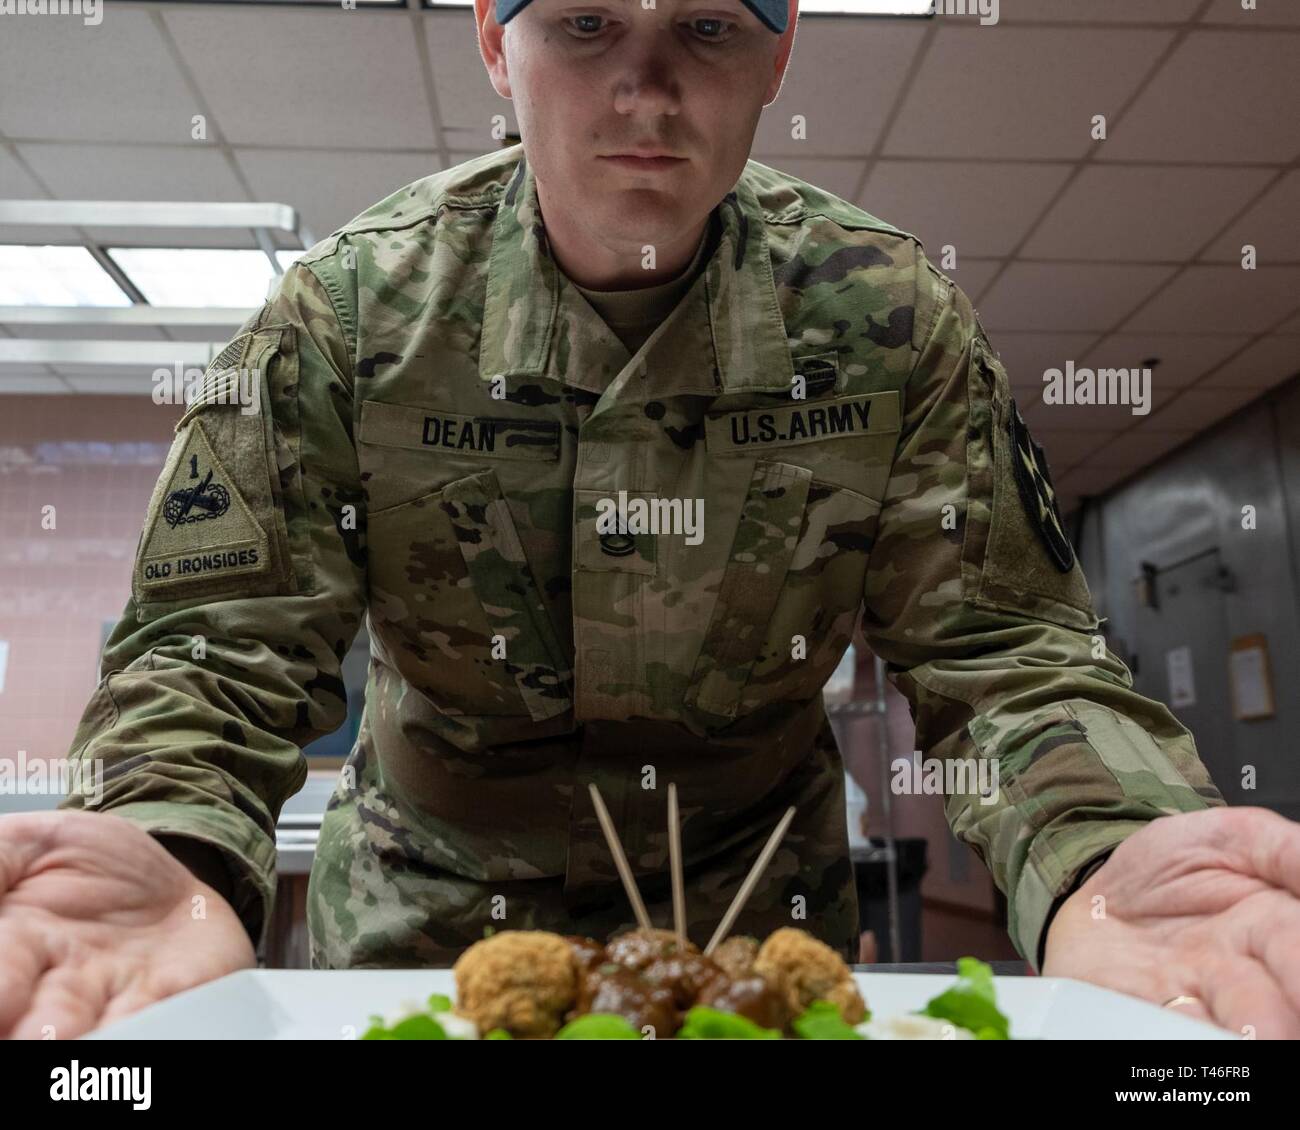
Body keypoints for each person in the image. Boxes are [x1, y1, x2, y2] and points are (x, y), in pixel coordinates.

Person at [1, 0, 1297, 1041]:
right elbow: (211, 649)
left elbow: (1009, 651)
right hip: (428, 924)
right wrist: (160, 840)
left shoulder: (885, 322)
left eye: (707, 31)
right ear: (494, 43)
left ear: (781, 48)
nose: (646, 88)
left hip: (749, 924)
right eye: (585, 28)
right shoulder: (349, 321)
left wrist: (1113, 843)